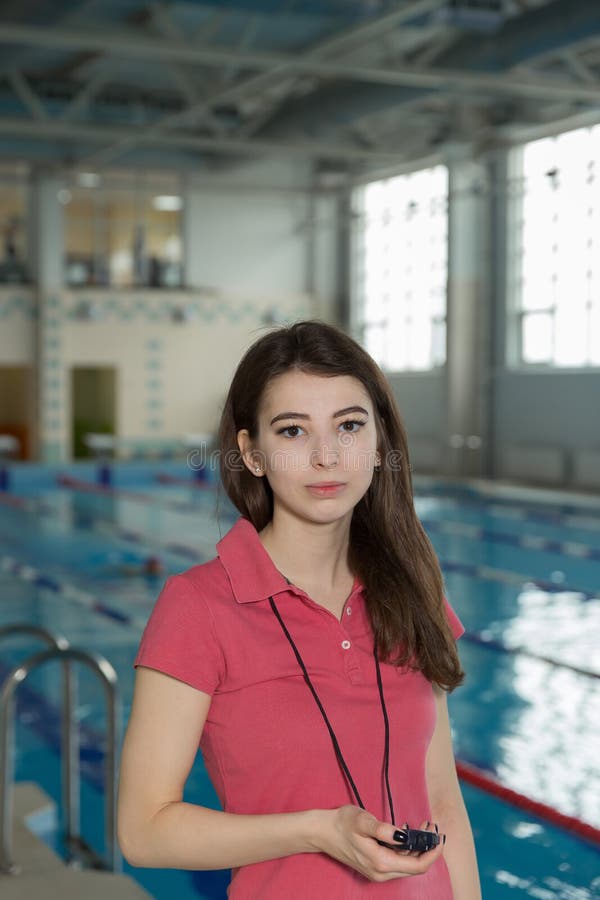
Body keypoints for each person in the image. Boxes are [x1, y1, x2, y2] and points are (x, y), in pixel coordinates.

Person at [117, 320, 481, 899]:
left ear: (378, 440)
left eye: (349, 426)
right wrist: (318, 830)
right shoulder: (200, 606)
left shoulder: (413, 589)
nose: (326, 456)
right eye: (292, 431)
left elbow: (442, 801)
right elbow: (144, 830)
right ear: (252, 454)